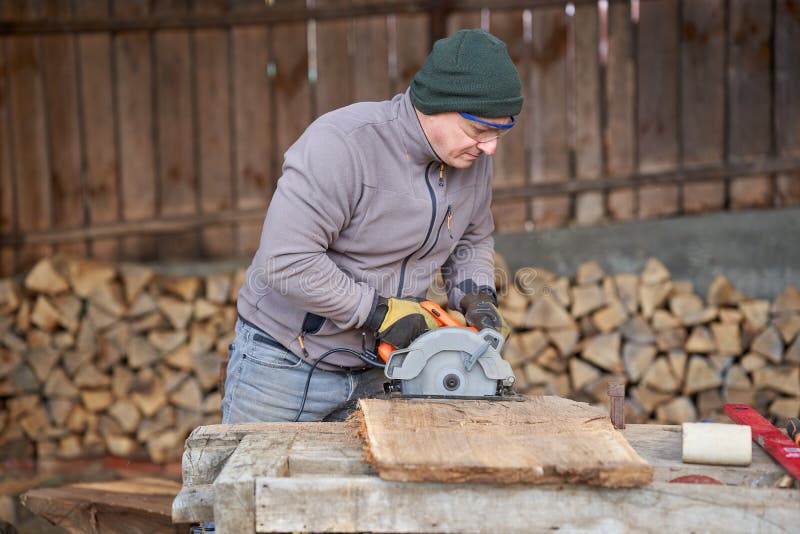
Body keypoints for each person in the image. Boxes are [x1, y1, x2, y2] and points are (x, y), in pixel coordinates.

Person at [221, 28, 521, 424]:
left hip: (384, 372)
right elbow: (286, 261)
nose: (490, 147)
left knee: (368, 488)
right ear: (437, 104)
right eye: (480, 131)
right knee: (243, 484)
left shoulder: (473, 161)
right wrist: (378, 313)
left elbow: (472, 237)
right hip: (285, 365)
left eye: (500, 131)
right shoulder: (342, 145)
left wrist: (477, 295)